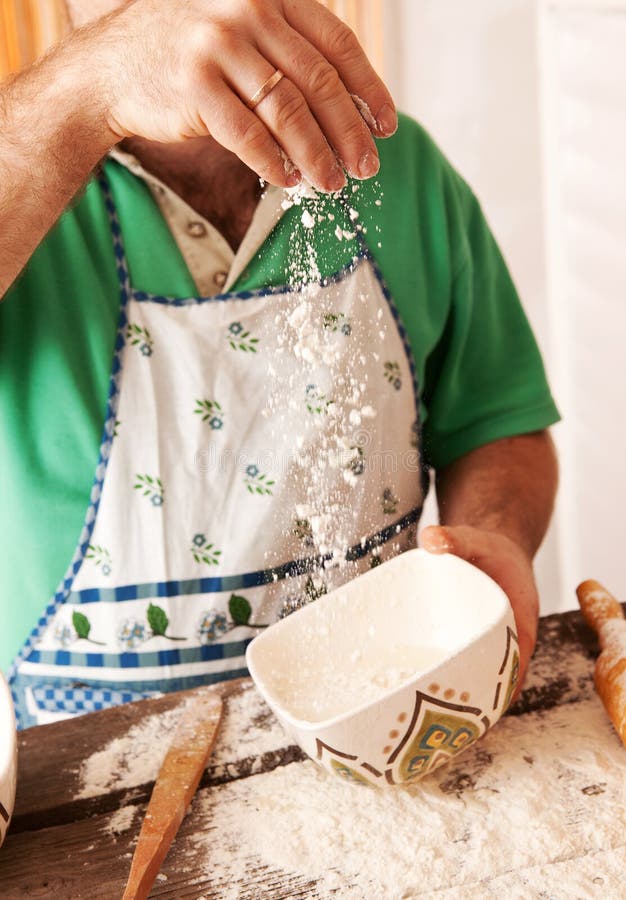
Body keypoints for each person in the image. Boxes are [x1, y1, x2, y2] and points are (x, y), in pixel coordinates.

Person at [0, 0, 559, 729]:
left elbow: (496, 425)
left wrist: (493, 536)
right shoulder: (24, 172)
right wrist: (93, 87)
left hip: (375, 724)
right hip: (74, 789)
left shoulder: (401, 170)